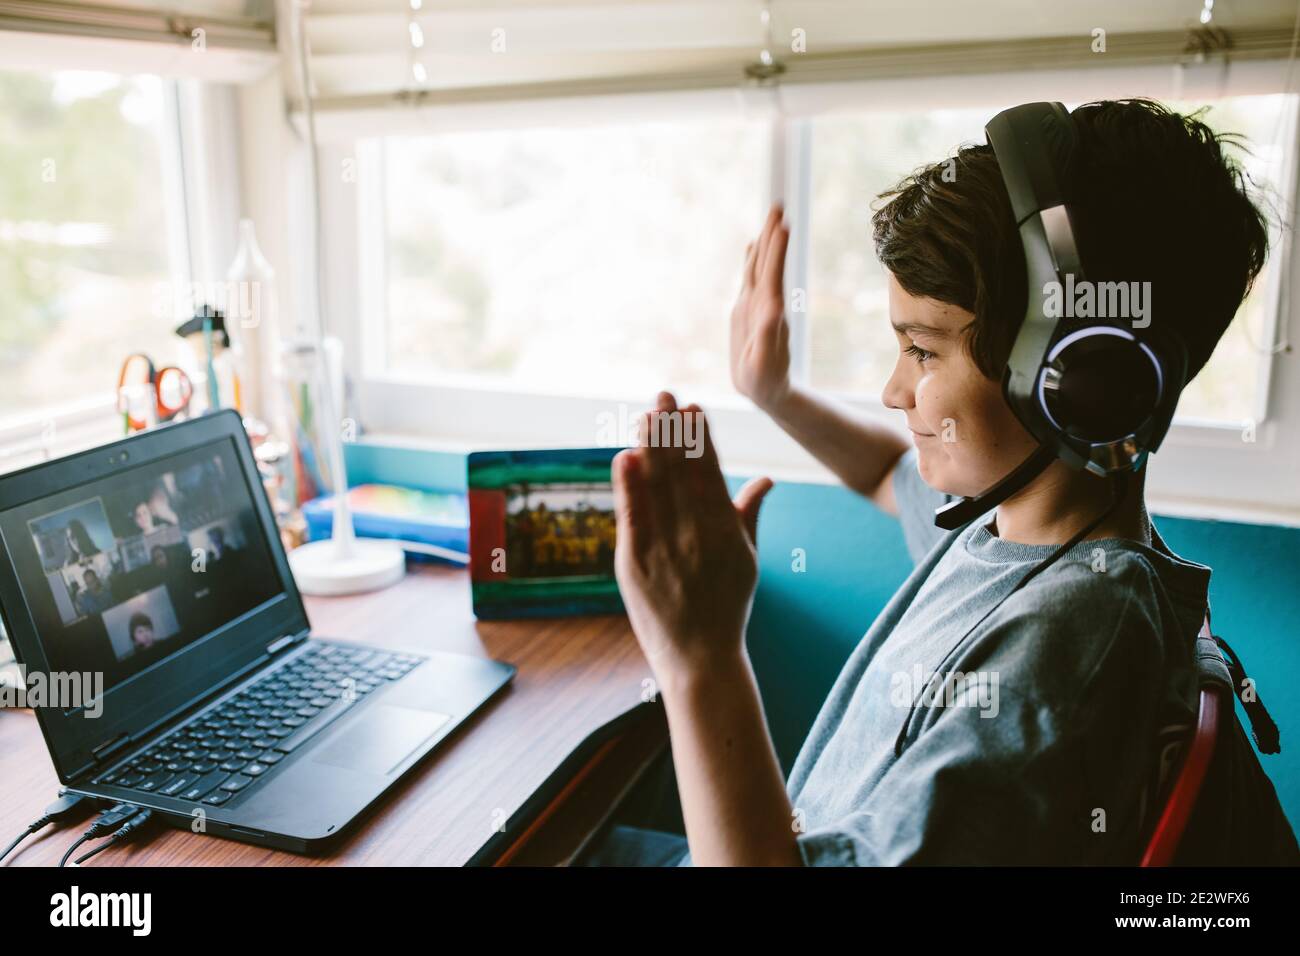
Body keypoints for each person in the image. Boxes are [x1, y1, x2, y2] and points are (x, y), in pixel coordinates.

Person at [593, 99, 1290, 866]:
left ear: (1080, 379)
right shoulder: (1020, 532)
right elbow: (892, 474)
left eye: (922, 351)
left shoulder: (1065, 648)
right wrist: (776, 395)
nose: (895, 392)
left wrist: (699, 655)